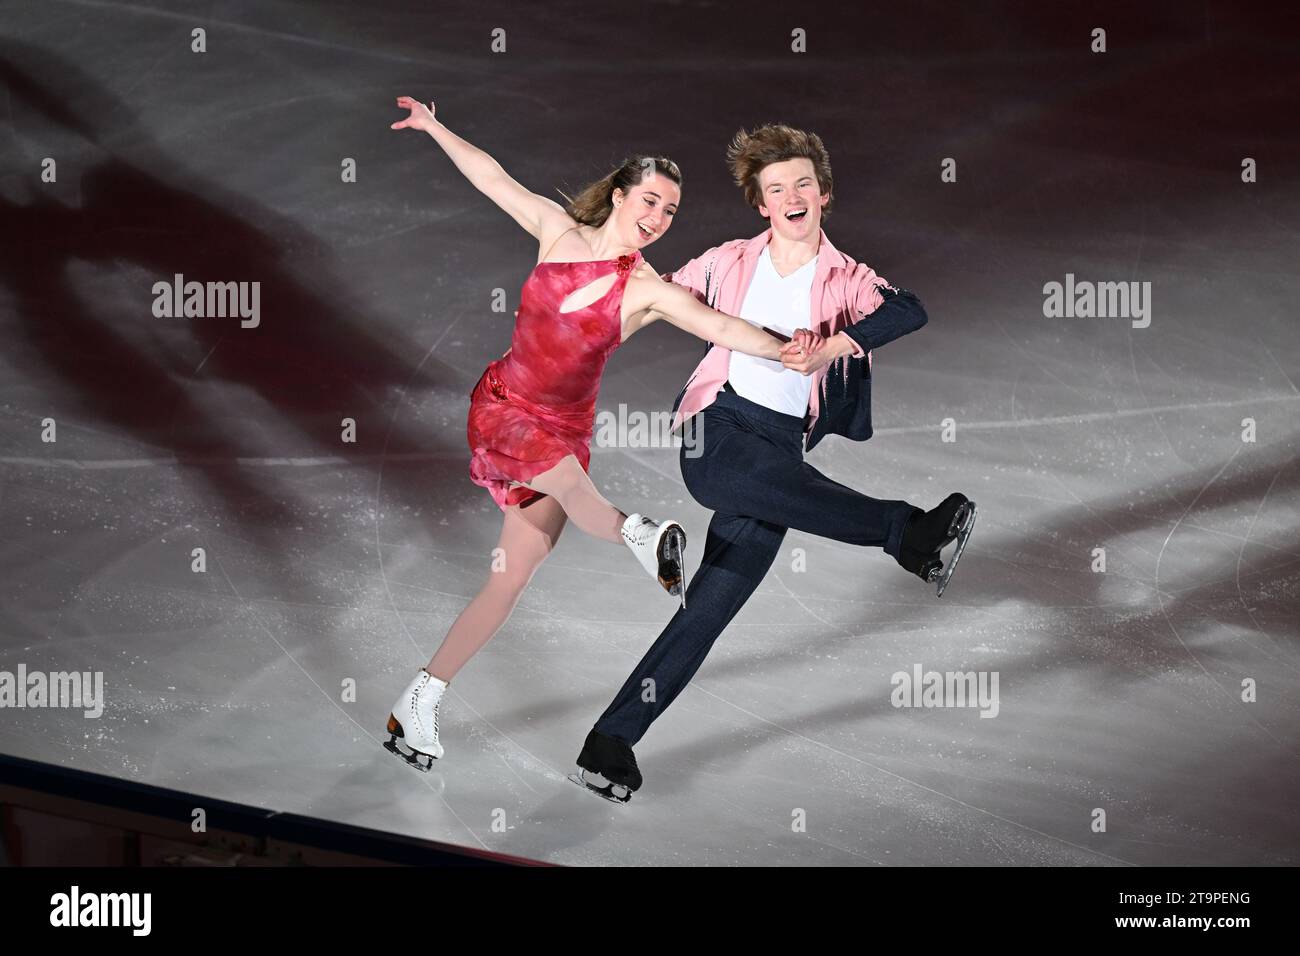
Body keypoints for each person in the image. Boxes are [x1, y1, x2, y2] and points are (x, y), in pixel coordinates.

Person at [382, 98, 819, 771]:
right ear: (619, 195)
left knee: (511, 577)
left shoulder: (647, 289)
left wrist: (787, 348)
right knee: (563, 478)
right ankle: (638, 536)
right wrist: (436, 127)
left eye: (670, 210)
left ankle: (419, 699)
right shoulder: (556, 233)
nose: (658, 218)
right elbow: (492, 178)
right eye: (650, 200)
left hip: (567, 428)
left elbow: (722, 329)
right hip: (507, 409)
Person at [574, 123, 977, 802]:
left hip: (781, 452)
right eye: (774, 188)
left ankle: (609, 741)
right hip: (717, 425)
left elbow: (910, 309)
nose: (791, 196)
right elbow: (648, 299)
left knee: (708, 608)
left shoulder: (847, 277)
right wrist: (576, 345)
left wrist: (836, 345)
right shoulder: (729, 260)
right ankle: (905, 532)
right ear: (760, 203)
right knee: (749, 486)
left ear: (823, 193)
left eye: (802, 184)